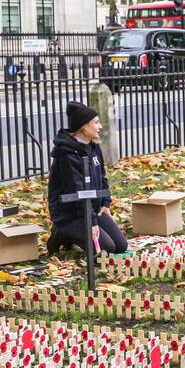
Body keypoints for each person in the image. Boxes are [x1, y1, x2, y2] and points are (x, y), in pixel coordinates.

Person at [47, 101, 128, 256]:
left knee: (121, 245)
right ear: (84, 126)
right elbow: (77, 193)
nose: (100, 126)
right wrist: (91, 223)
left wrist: (105, 203)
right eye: (96, 123)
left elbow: (102, 177)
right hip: (71, 214)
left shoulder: (94, 147)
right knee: (106, 250)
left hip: (92, 208)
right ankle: (62, 232)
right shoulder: (66, 155)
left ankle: (81, 230)